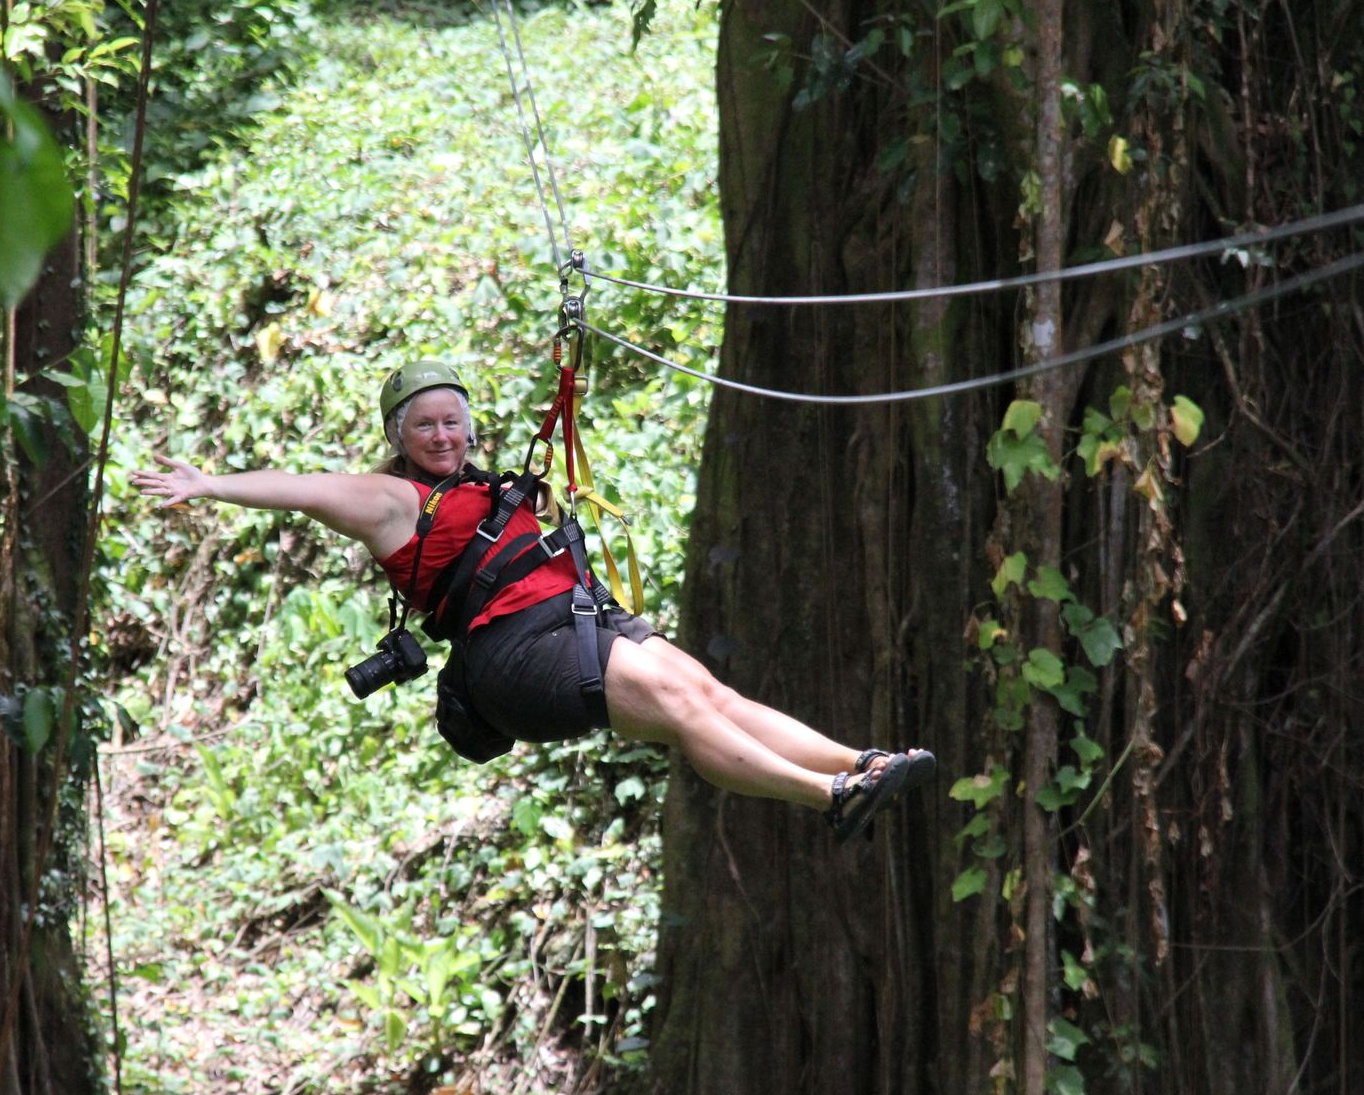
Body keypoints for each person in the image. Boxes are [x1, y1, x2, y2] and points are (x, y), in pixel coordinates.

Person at [130, 360, 935, 840]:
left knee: (709, 692)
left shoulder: (489, 486)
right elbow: (303, 490)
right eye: (424, 427)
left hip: (576, 618)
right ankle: (831, 796)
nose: (443, 437)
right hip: (514, 657)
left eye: (454, 422)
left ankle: (859, 763)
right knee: (685, 712)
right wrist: (211, 485)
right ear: (399, 436)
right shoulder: (392, 502)